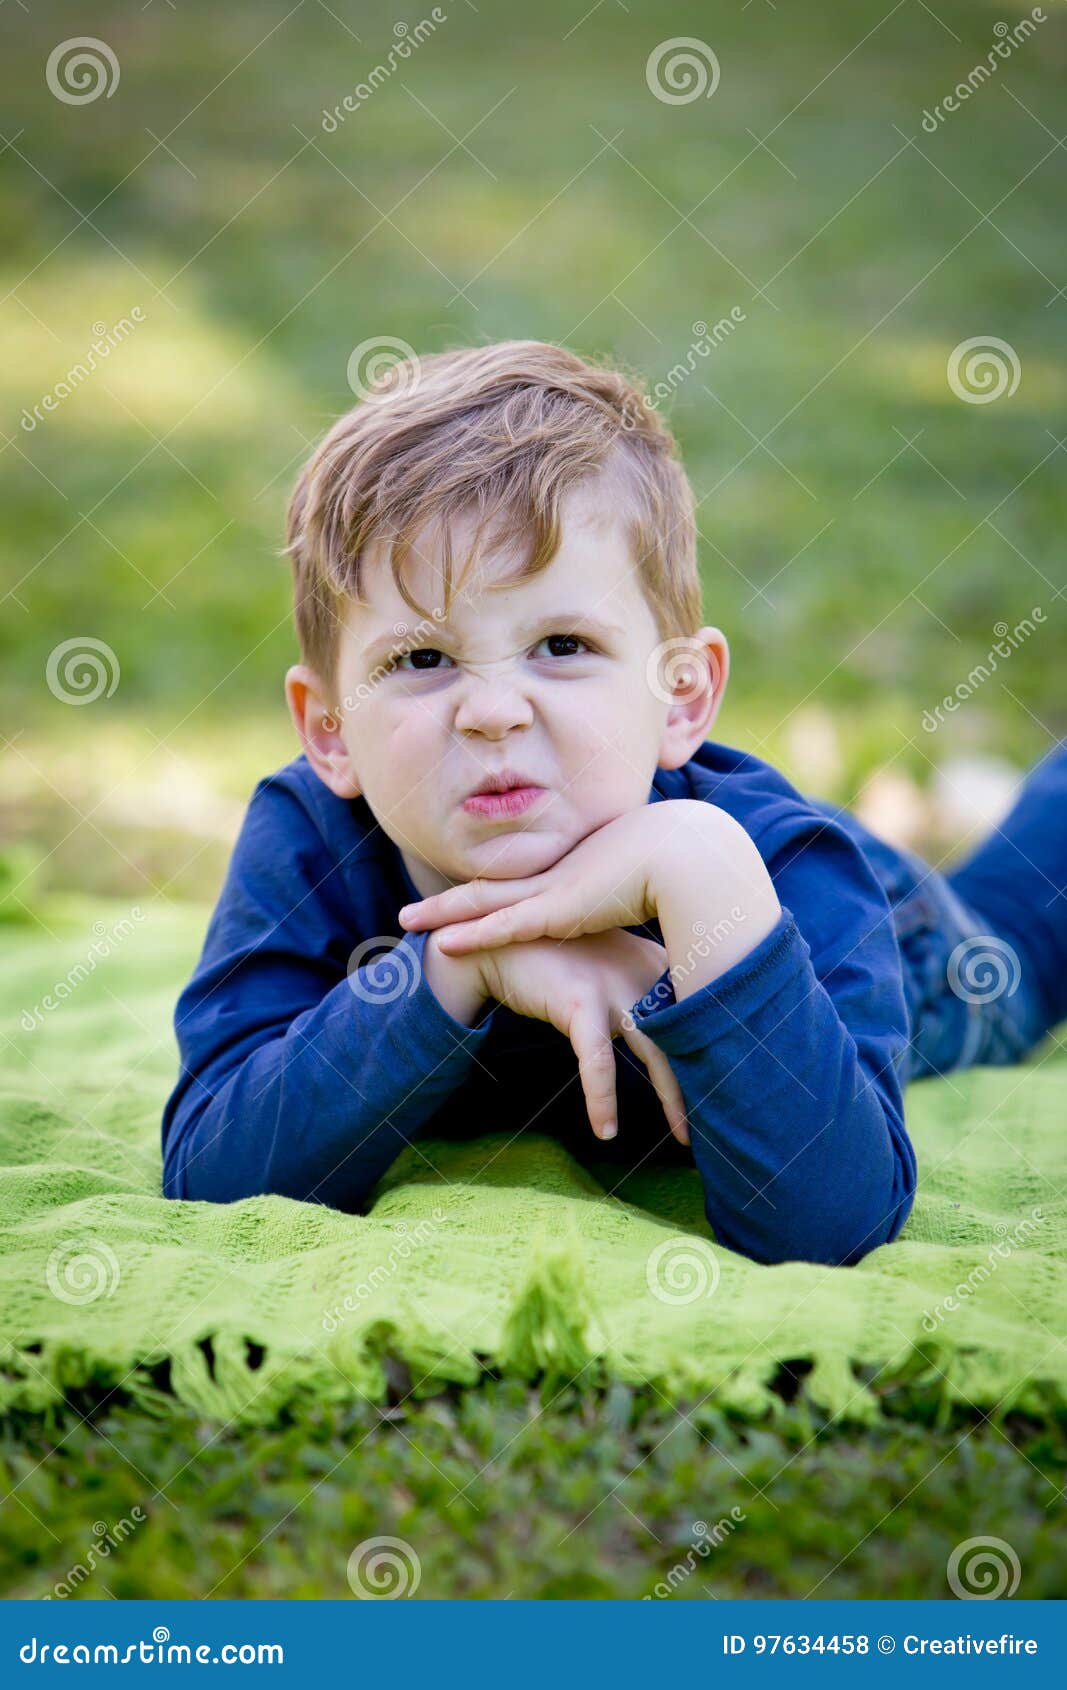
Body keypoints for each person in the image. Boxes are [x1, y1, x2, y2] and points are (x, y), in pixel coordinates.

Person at [161, 341, 1067, 1266]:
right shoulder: (311, 837)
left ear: (679, 696)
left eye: (560, 644)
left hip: (905, 945)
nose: (493, 712)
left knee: (1025, 933)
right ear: (329, 731)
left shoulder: (777, 864)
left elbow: (829, 1225)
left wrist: (698, 877)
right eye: (422, 660)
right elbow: (209, 1170)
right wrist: (459, 964)